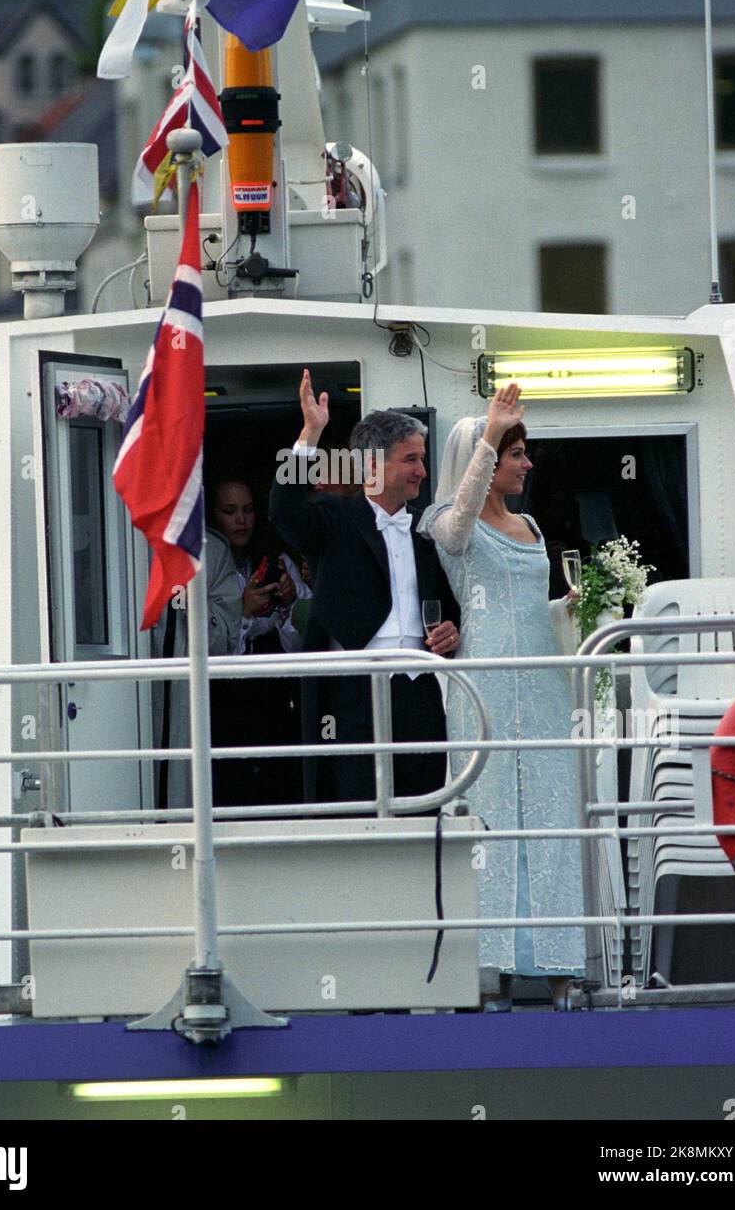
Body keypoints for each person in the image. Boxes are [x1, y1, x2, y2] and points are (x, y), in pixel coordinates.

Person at [417, 384, 586, 1010]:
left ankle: (559, 963)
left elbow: (523, 610)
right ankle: (492, 967)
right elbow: (459, 532)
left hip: (539, 686)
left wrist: (567, 608)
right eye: (517, 454)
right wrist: (489, 432)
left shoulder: (532, 524)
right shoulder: (443, 521)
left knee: (548, 813)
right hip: (483, 686)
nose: (527, 464)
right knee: (491, 817)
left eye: (520, 452)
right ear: (485, 463)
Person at [269, 369, 460, 806]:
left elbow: (451, 602)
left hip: (419, 692)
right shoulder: (335, 519)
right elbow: (283, 511)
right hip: (353, 695)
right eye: (410, 459)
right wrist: (310, 433)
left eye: (422, 458)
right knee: (358, 808)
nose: (421, 470)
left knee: (425, 807)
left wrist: (453, 628)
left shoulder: (429, 529)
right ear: (373, 464)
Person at [208, 477, 312, 806]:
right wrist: (244, 613)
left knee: (277, 779)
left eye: (249, 510)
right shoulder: (204, 567)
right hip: (223, 696)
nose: (241, 520)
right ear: (213, 516)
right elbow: (209, 646)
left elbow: (303, 647)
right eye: (230, 511)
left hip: (273, 693)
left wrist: (289, 603)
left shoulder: (279, 559)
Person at [150, 526, 242, 809]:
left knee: (183, 801)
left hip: (186, 701)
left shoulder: (211, 549)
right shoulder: (120, 538)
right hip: (130, 700)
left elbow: (224, 643)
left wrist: (193, 601)